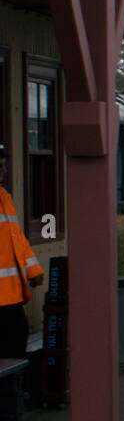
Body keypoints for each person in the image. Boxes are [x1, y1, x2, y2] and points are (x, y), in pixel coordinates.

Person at [0, 146, 44, 360]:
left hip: (9, 294)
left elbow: (16, 239)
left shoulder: (4, 197)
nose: (3, 172)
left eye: (4, 167)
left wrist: (33, 270)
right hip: (5, 295)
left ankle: (10, 390)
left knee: (16, 337)